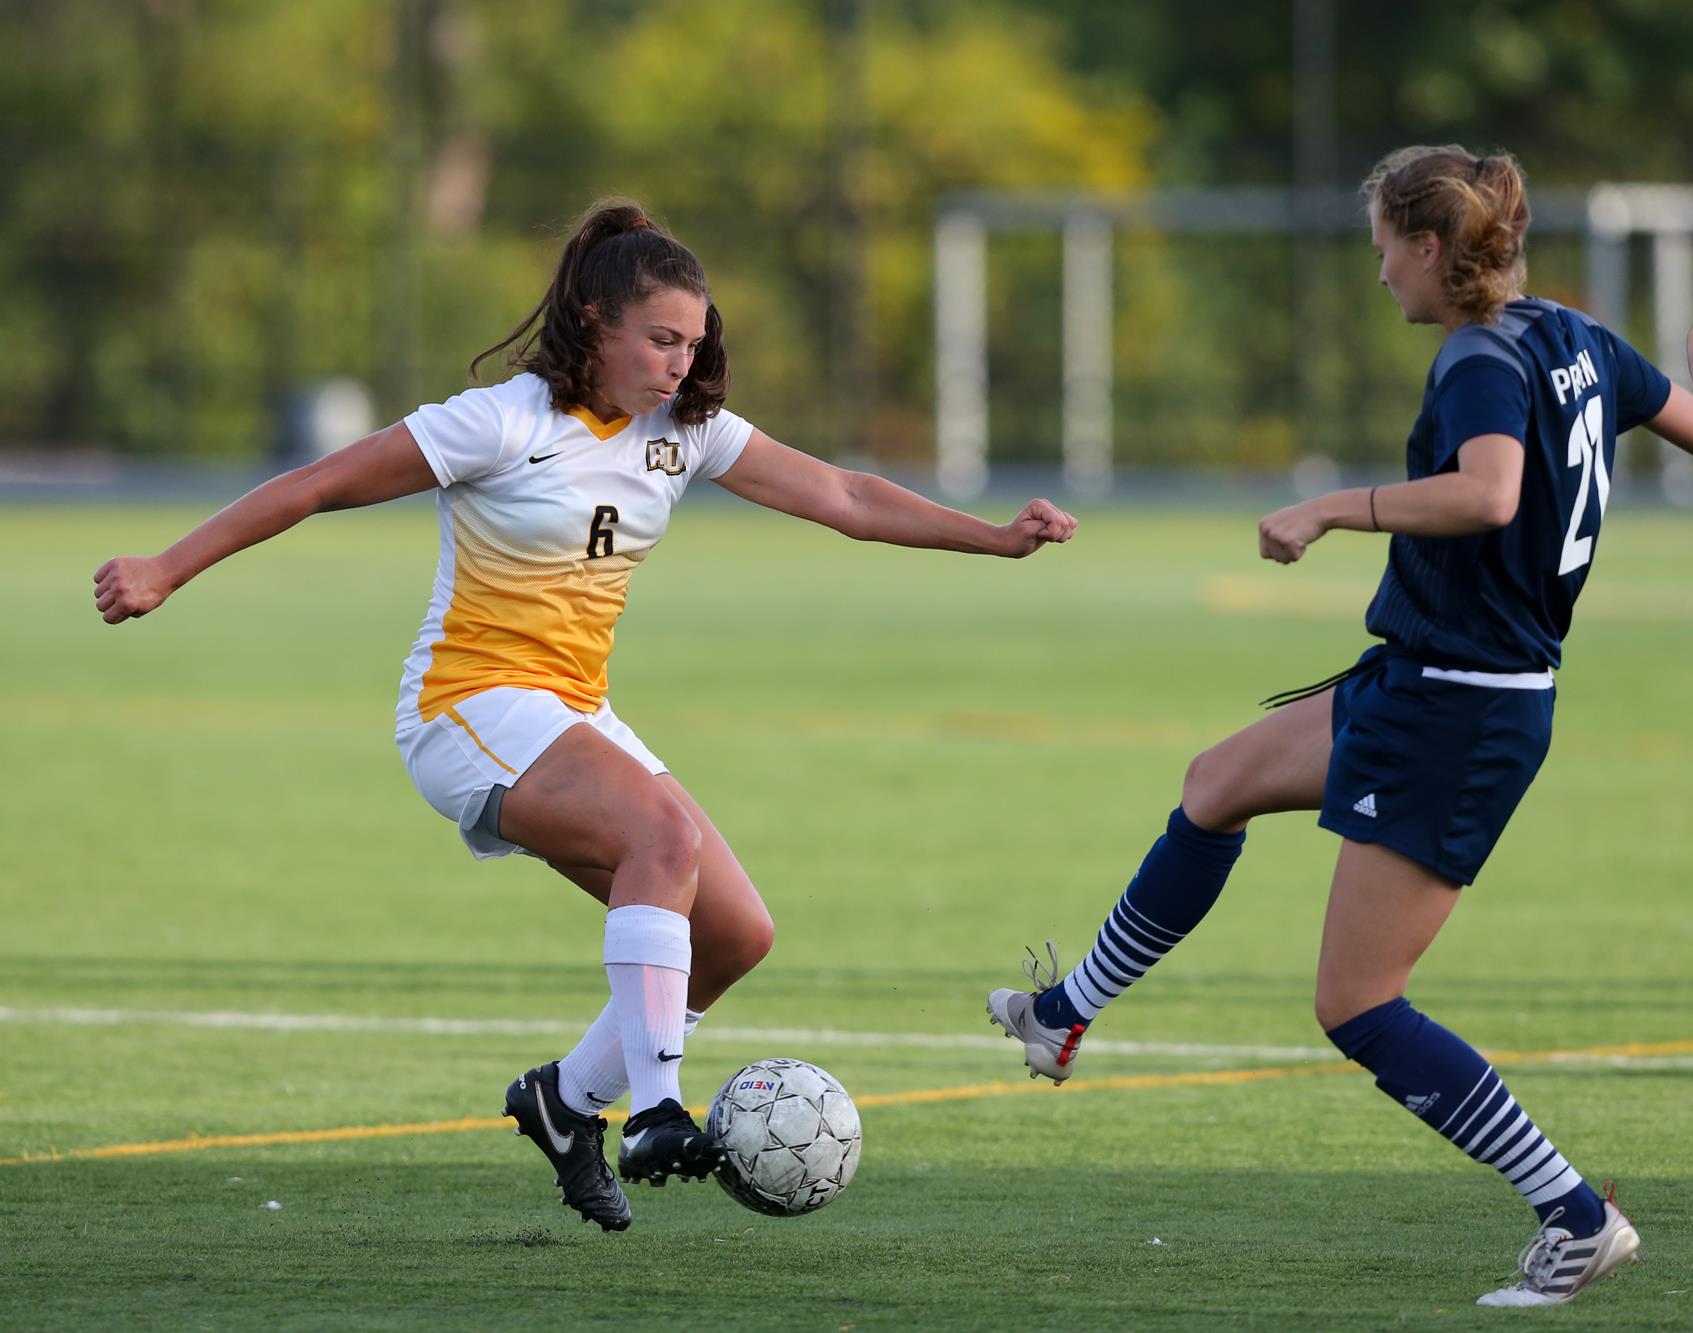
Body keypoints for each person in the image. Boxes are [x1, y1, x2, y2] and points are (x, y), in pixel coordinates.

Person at [93, 200, 1075, 1231]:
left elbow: (847, 495)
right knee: (664, 833)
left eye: (692, 345)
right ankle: (653, 1106)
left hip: (570, 710)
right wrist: (167, 565)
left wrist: (994, 538)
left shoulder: (682, 432)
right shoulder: (502, 421)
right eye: (660, 340)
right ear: (595, 322)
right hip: (464, 708)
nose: (677, 364)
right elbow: (315, 485)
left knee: (735, 932)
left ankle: (565, 1104)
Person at [986, 146, 1693, 1307]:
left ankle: (1574, 1214)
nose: (1375, 274)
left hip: (1461, 709)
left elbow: (1490, 491)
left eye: (1382, 251)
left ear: (1430, 247)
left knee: (1355, 1002)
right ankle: (1063, 1016)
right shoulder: (1574, 336)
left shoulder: (1477, 358)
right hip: (1420, 679)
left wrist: (1328, 508)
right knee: (1215, 782)